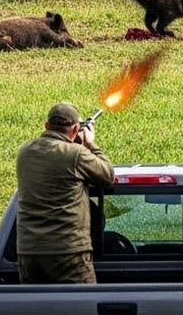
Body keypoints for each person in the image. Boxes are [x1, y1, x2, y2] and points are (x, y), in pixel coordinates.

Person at [15, 103, 114, 284]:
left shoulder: (25, 151)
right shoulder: (76, 154)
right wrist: (90, 144)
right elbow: (107, 175)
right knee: (82, 306)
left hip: (29, 251)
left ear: (46, 126)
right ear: (76, 128)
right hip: (68, 250)